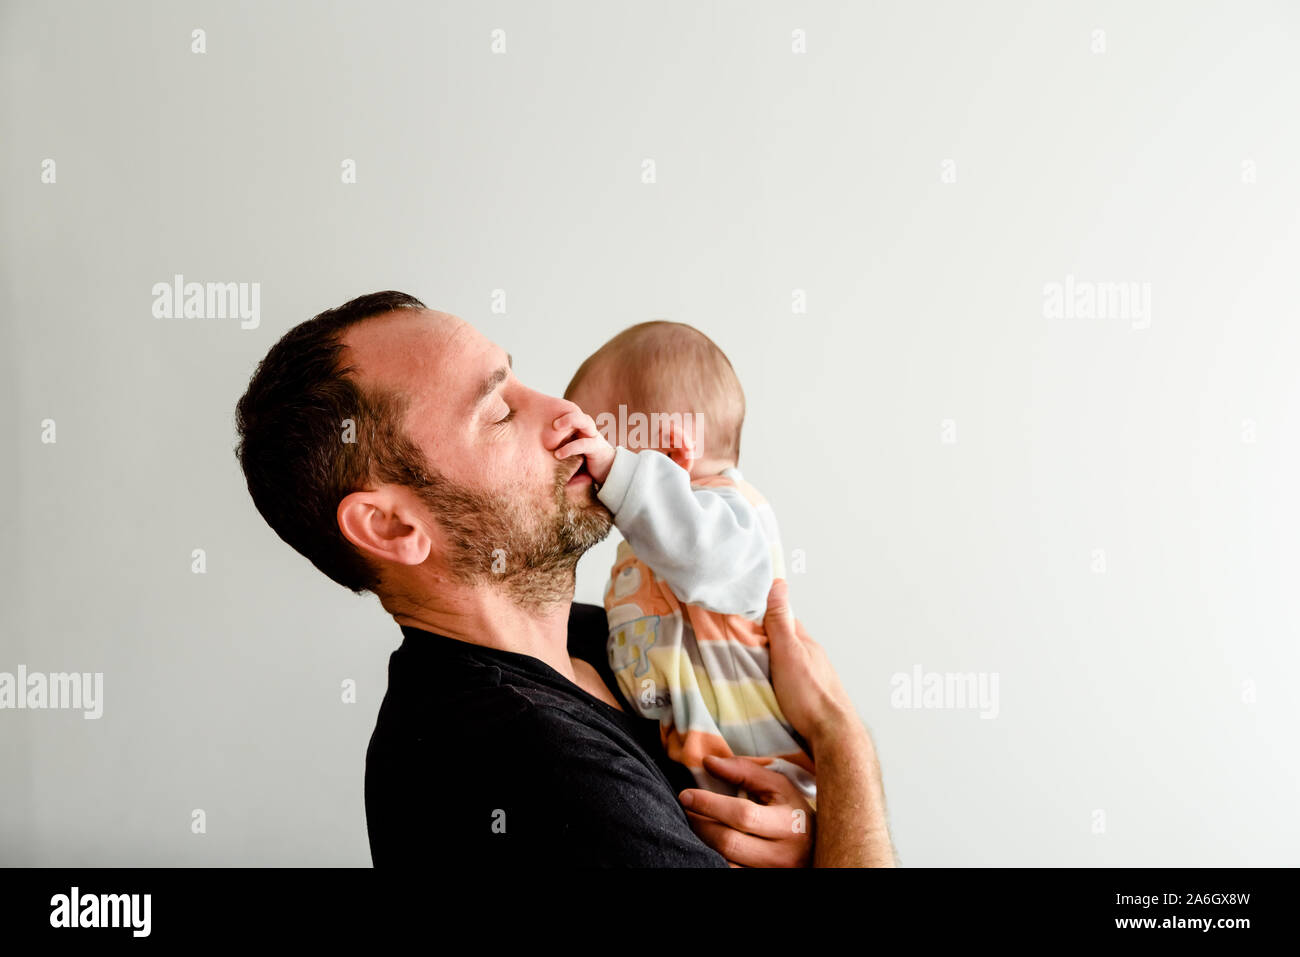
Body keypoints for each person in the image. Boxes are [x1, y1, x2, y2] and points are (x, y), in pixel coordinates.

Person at [233, 290, 896, 866]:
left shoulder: (607, 641)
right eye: (496, 411)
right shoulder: (529, 767)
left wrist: (812, 838)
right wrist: (843, 745)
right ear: (391, 527)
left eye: (521, 380)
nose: (570, 415)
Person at [561, 322, 816, 806]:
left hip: (769, 768)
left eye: (600, 452)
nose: (591, 475)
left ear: (671, 453)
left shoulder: (734, 516)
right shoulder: (657, 540)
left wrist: (618, 473)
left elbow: (700, 556)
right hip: (699, 770)